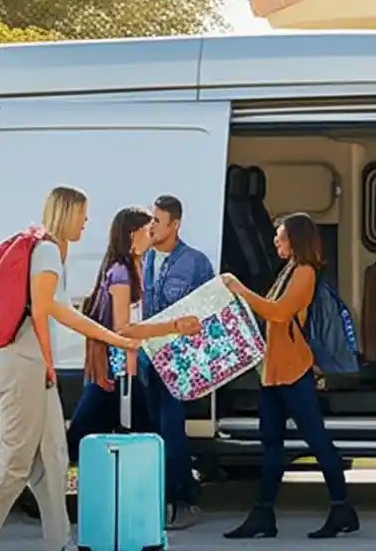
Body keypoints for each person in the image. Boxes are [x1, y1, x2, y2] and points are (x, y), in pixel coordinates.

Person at [0, 185, 143, 551]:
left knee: (54, 457)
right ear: (67, 214)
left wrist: (119, 340)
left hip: (28, 364)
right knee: (15, 462)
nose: (86, 222)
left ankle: (59, 543)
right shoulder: (48, 251)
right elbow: (42, 311)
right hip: (25, 366)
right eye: (82, 214)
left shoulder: (48, 251)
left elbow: (64, 313)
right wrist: (50, 363)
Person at [220, 212, 359, 540]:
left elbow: (279, 313)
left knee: (317, 441)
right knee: (271, 444)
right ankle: (262, 514)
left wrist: (240, 290)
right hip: (274, 374)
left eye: (280, 237)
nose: (275, 241)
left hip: (294, 373)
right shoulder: (290, 270)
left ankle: (342, 508)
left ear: (295, 239)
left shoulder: (305, 273)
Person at [66, 206, 204, 462]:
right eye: (147, 232)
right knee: (81, 437)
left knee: (140, 433)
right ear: (132, 235)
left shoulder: (134, 269)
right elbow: (123, 328)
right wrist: (173, 326)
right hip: (115, 371)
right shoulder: (121, 274)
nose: (152, 237)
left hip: (127, 370)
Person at [140, 194, 216, 529]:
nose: (151, 226)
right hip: (144, 361)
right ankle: (158, 496)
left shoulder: (195, 263)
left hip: (178, 361)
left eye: (158, 220)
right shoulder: (141, 259)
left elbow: (209, 310)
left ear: (175, 224)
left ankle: (181, 499)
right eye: (150, 220)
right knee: (149, 430)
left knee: (172, 429)